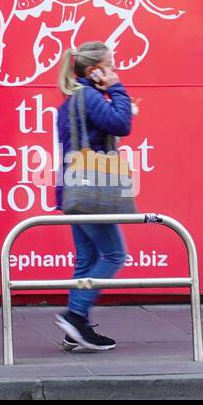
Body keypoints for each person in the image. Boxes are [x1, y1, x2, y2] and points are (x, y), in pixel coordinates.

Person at [53, 40, 133, 353]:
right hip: (91, 190)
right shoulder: (90, 96)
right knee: (114, 255)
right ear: (94, 70)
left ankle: (77, 330)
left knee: (86, 260)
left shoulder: (71, 100)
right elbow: (122, 124)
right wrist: (118, 89)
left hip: (74, 189)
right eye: (111, 66)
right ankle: (74, 315)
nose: (115, 71)